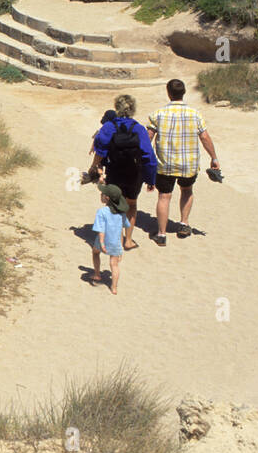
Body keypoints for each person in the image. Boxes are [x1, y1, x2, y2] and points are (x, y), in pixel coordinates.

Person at [146, 79, 219, 245]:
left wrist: (143, 159)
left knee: (164, 196)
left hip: (165, 164)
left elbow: (148, 137)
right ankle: (184, 224)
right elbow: (205, 137)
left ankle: (162, 234)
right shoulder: (195, 114)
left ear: (168, 93)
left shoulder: (158, 114)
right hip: (189, 164)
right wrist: (214, 158)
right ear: (184, 92)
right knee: (186, 191)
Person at [88, 94, 157, 249]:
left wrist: (94, 167)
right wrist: (151, 179)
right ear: (133, 109)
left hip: (115, 172)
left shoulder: (108, 127)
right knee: (131, 205)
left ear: (117, 108)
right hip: (134, 173)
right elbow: (148, 155)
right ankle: (128, 240)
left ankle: (118, 239)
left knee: (115, 205)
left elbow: (100, 150)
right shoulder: (139, 128)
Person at [92, 183, 130, 294]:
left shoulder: (102, 212)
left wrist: (102, 243)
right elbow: (122, 229)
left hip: (103, 240)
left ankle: (97, 274)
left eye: (102, 194)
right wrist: (121, 247)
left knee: (95, 252)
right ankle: (114, 287)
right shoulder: (121, 214)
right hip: (116, 242)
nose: (101, 195)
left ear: (106, 198)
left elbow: (101, 229)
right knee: (114, 264)